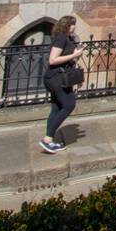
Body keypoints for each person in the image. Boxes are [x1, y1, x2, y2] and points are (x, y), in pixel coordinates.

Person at [40, 15, 84, 154]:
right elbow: (52, 60)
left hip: (61, 77)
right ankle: (47, 140)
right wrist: (73, 55)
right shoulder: (60, 39)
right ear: (67, 26)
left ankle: (49, 140)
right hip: (56, 78)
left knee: (56, 107)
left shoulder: (66, 39)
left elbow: (64, 60)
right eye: (73, 24)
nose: (74, 26)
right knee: (69, 105)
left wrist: (75, 57)